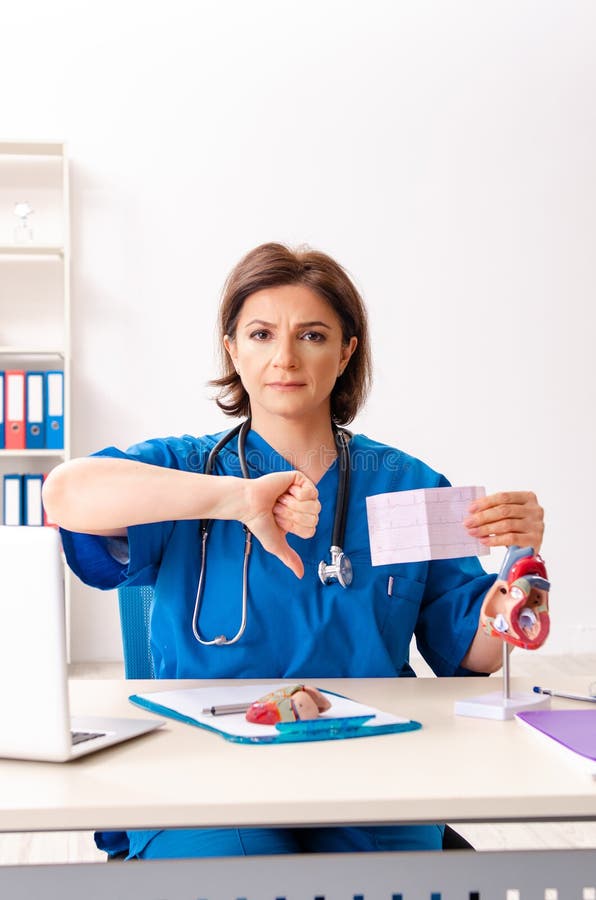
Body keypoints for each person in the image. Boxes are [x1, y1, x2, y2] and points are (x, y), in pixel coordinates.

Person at [43, 242, 545, 860]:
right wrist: (233, 500)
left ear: (346, 352)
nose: (284, 357)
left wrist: (520, 577)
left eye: (311, 335)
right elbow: (66, 493)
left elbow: (474, 650)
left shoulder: (406, 485)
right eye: (260, 334)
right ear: (232, 349)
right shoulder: (181, 472)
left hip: (371, 770)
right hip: (204, 773)